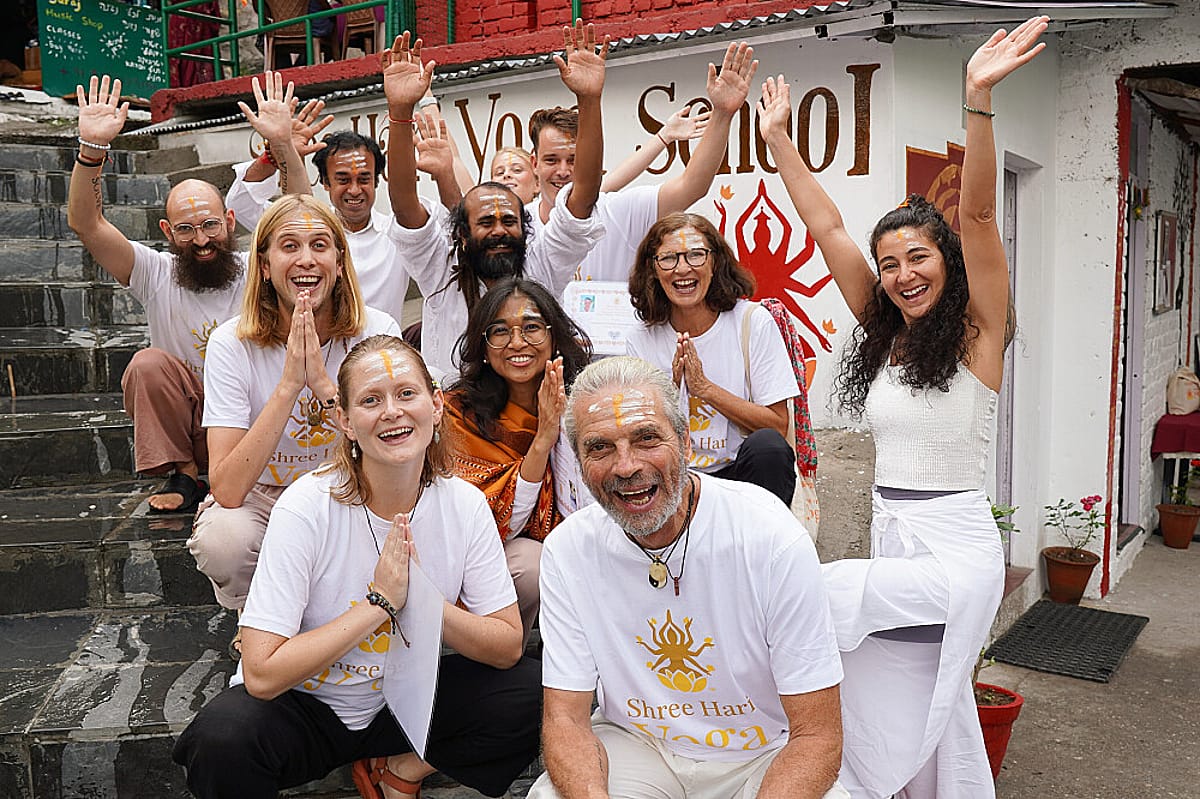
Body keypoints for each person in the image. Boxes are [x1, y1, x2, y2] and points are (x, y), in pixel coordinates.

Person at [760, 17, 1049, 798]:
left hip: (955, 551)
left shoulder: (980, 338)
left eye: (917, 256)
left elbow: (982, 216)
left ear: (945, 262)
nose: (899, 274)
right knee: (899, 703)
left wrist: (977, 100)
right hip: (896, 539)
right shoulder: (885, 333)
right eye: (889, 264)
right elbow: (826, 226)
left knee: (821, 590)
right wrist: (780, 140)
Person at [173, 335, 541, 799]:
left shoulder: (463, 504)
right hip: (309, 706)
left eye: (407, 393)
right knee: (220, 739)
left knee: (536, 689)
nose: (392, 411)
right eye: (371, 400)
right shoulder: (306, 506)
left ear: (437, 405)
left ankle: (400, 773)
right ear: (345, 422)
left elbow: (508, 645)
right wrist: (379, 603)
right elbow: (262, 673)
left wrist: (422, 600)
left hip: (408, 704)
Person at [531, 356, 846, 799]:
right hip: (638, 746)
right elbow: (565, 718)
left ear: (683, 438)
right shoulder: (568, 552)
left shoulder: (768, 535)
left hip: (760, 753)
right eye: (600, 447)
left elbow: (816, 735)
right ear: (579, 462)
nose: (626, 467)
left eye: (646, 439)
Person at [188, 193, 401, 626]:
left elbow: (394, 449)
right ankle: (256, 620)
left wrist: (323, 383)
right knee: (224, 540)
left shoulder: (377, 330)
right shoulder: (232, 343)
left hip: (353, 488)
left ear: (339, 263)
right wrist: (288, 386)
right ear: (264, 267)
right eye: (289, 246)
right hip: (262, 494)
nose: (306, 260)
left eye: (320, 245)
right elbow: (226, 488)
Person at [67, 74, 246, 514]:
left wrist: (282, 149)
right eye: (185, 230)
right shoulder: (156, 272)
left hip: (249, 423)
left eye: (209, 225)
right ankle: (184, 472)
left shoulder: (258, 269)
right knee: (147, 364)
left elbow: (307, 222)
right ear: (167, 232)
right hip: (193, 424)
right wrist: (92, 150)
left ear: (230, 220)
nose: (201, 240)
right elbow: (86, 225)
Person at [384, 25, 607, 377]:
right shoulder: (439, 268)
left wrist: (590, 101)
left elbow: (584, 192)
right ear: (461, 234)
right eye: (486, 223)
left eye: (509, 221)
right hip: (455, 421)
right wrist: (400, 112)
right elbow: (404, 202)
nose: (499, 231)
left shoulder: (543, 263)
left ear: (525, 227)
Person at [527, 41, 756, 284]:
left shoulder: (617, 212)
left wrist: (722, 114)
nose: (563, 171)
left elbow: (692, 186)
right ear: (534, 163)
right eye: (551, 160)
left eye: (573, 160)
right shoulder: (517, 227)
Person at [444, 278, 592, 642]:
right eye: (499, 331)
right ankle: (500, 649)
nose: (517, 342)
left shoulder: (585, 401)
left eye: (531, 327)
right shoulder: (456, 415)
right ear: (482, 346)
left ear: (554, 337)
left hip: (575, 549)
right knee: (532, 564)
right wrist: (543, 440)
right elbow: (499, 525)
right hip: (482, 560)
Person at [626, 213, 799, 505]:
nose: (682, 269)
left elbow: (777, 426)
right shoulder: (641, 338)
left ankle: (766, 541)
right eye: (668, 258)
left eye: (695, 255)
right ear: (653, 269)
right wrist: (672, 389)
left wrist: (704, 389)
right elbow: (637, 435)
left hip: (740, 473)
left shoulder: (753, 323)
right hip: (674, 478)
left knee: (768, 447)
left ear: (715, 262)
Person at [224, 80, 418, 327]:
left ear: (377, 180)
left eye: (364, 179)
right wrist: (276, 153)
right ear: (325, 182)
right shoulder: (305, 227)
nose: (355, 190)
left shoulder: (398, 235)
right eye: (343, 180)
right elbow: (241, 203)